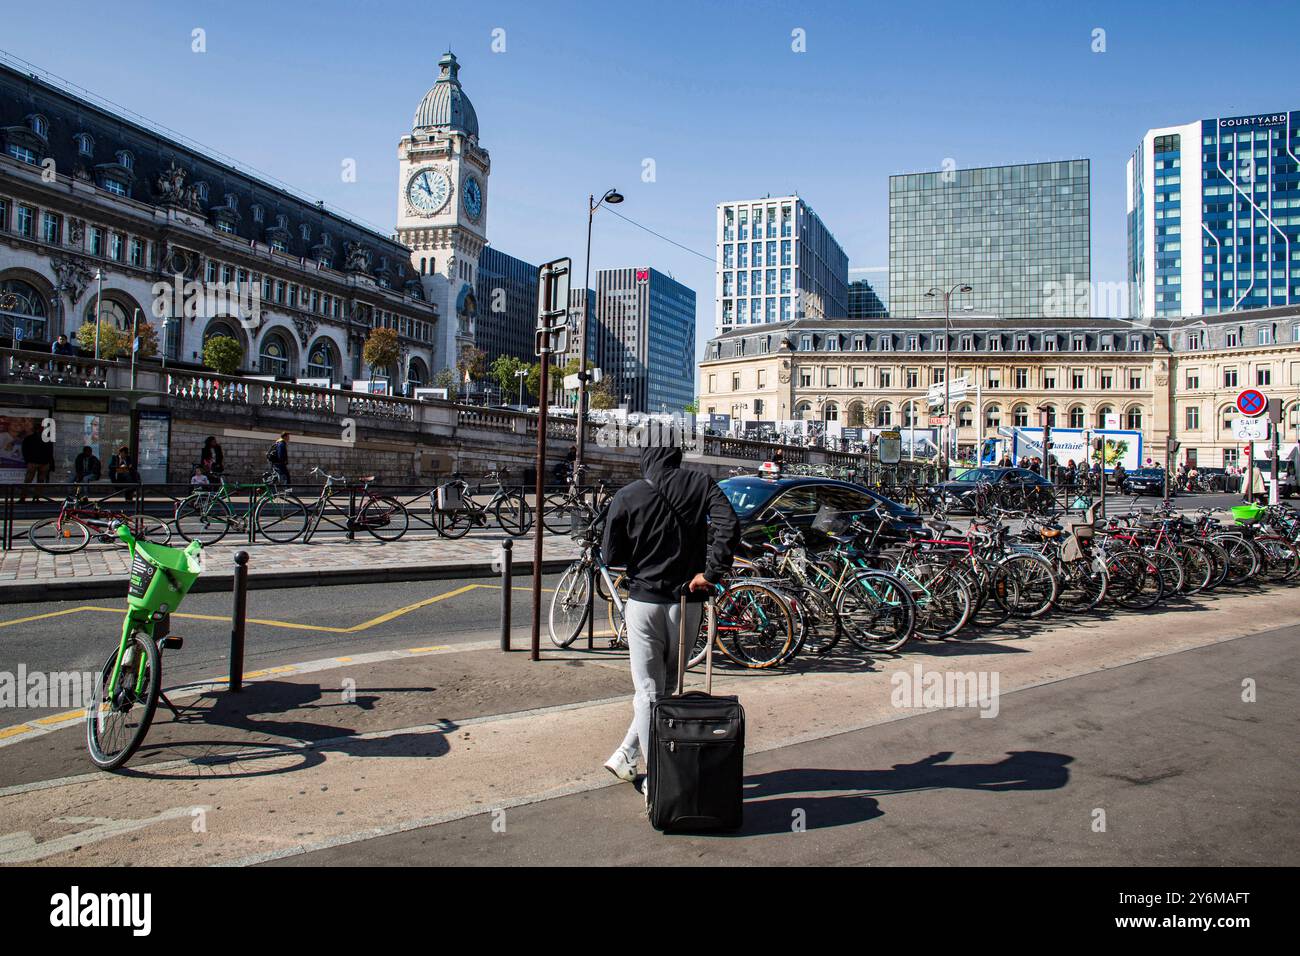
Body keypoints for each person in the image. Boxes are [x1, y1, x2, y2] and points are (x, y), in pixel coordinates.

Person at [600, 440, 741, 791]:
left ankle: (659, 776)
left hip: (644, 602)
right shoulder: (701, 483)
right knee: (664, 689)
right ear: (677, 457)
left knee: (647, 692)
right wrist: (711, 574)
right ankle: (626, 755)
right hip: (687, 602)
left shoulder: (628, 494)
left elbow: (610, 553)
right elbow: (730, 526)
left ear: (646, 460)